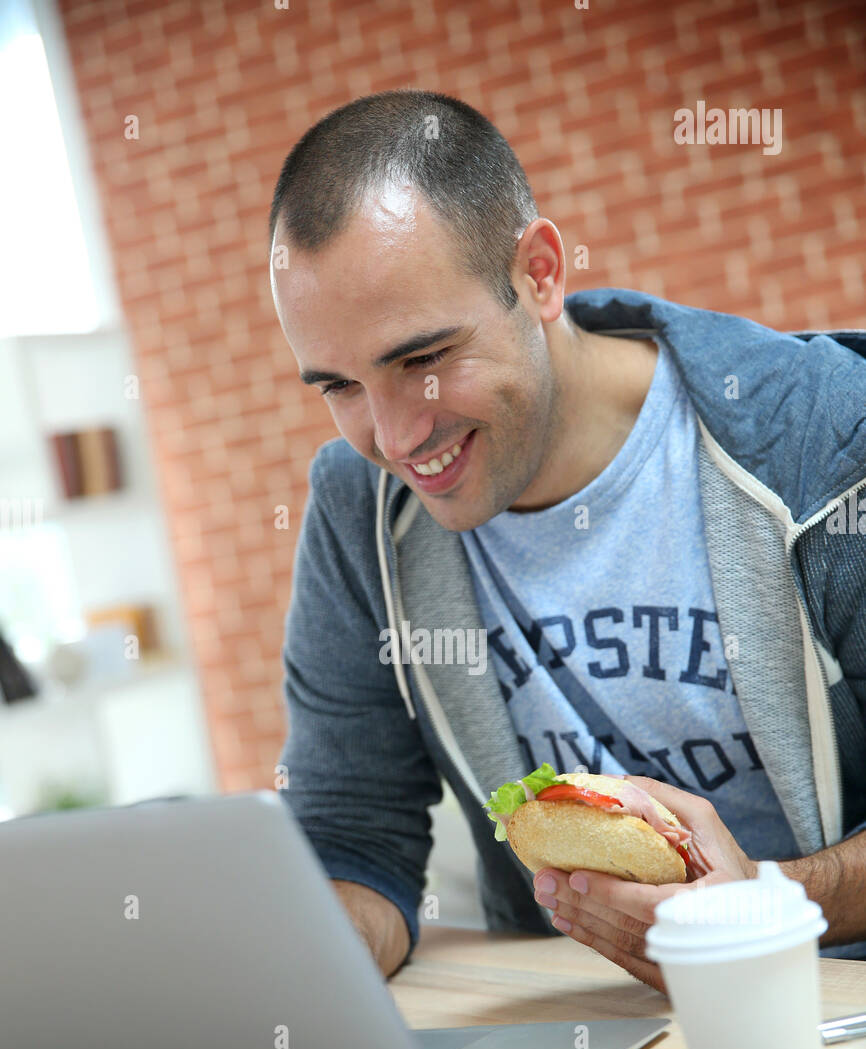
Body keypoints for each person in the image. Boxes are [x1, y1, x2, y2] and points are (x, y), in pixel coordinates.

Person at [268, 90, 866, 989]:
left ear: (541, 274)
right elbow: (356, 837)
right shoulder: (360, 513)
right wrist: (289, 964)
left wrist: (762, 906)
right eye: (339, 387)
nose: (393, 439)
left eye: (422, 361)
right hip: (574, 1037)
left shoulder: (824, 441)